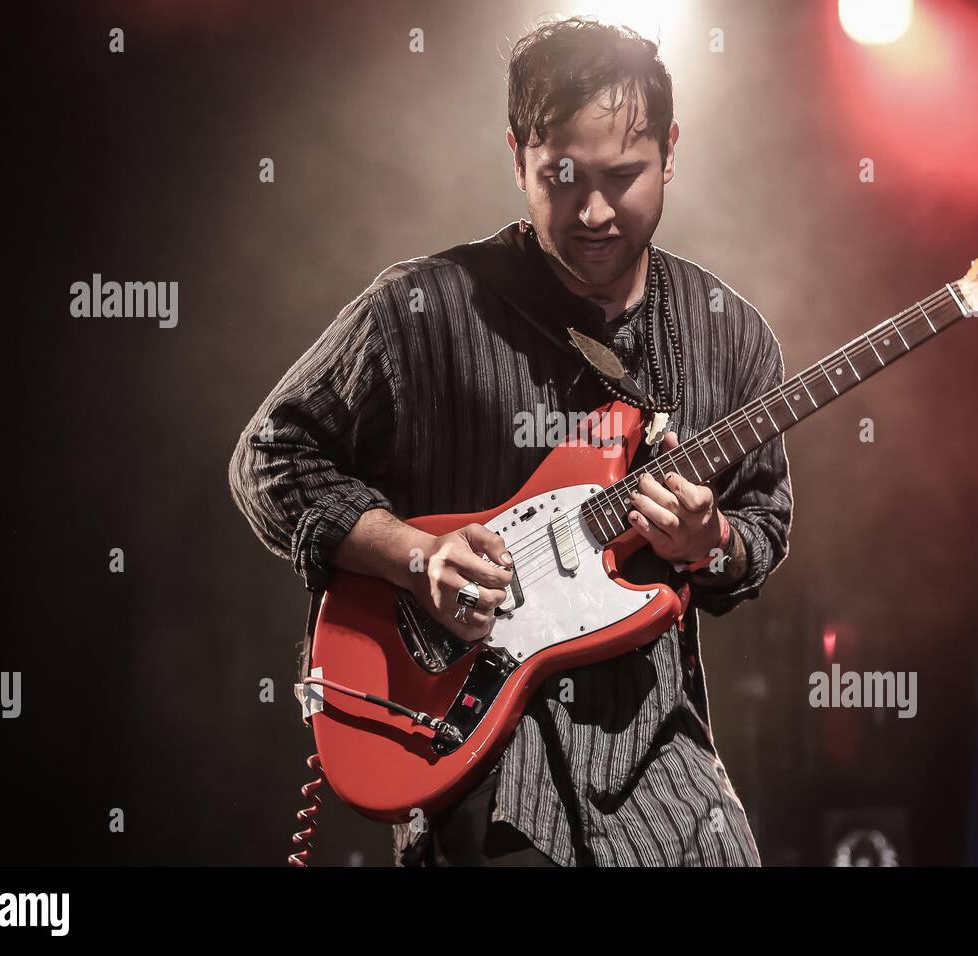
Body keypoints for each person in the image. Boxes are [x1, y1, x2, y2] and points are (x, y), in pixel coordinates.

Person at [228, 15, 792, 866]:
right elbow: (269, 456)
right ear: (517, 155)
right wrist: (413, 555)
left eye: (625, 175)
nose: (596, 210)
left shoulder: (731, 336)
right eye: (563, 175)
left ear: (671, 150)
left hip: (665, 787)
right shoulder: (422, 311)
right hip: (479, 772)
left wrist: (713, 544)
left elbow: (763, 527)